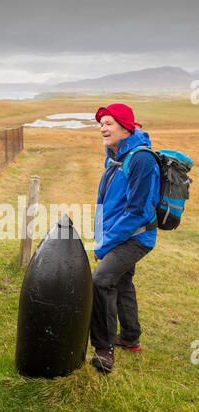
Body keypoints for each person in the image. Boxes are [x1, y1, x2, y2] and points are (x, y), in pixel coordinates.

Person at [91, 103, 160, 373]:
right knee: (122, 281)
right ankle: (130, 337)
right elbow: (107, 200)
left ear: (125, 127)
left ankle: (104, 349)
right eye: (101, 124)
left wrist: (105, 245)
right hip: (118, 234)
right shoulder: (115, 155)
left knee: (101, 280)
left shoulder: (140, 158)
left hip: (136, 237)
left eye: (108, 123)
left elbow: (137, 212)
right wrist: (102, 234)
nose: (103, 128)